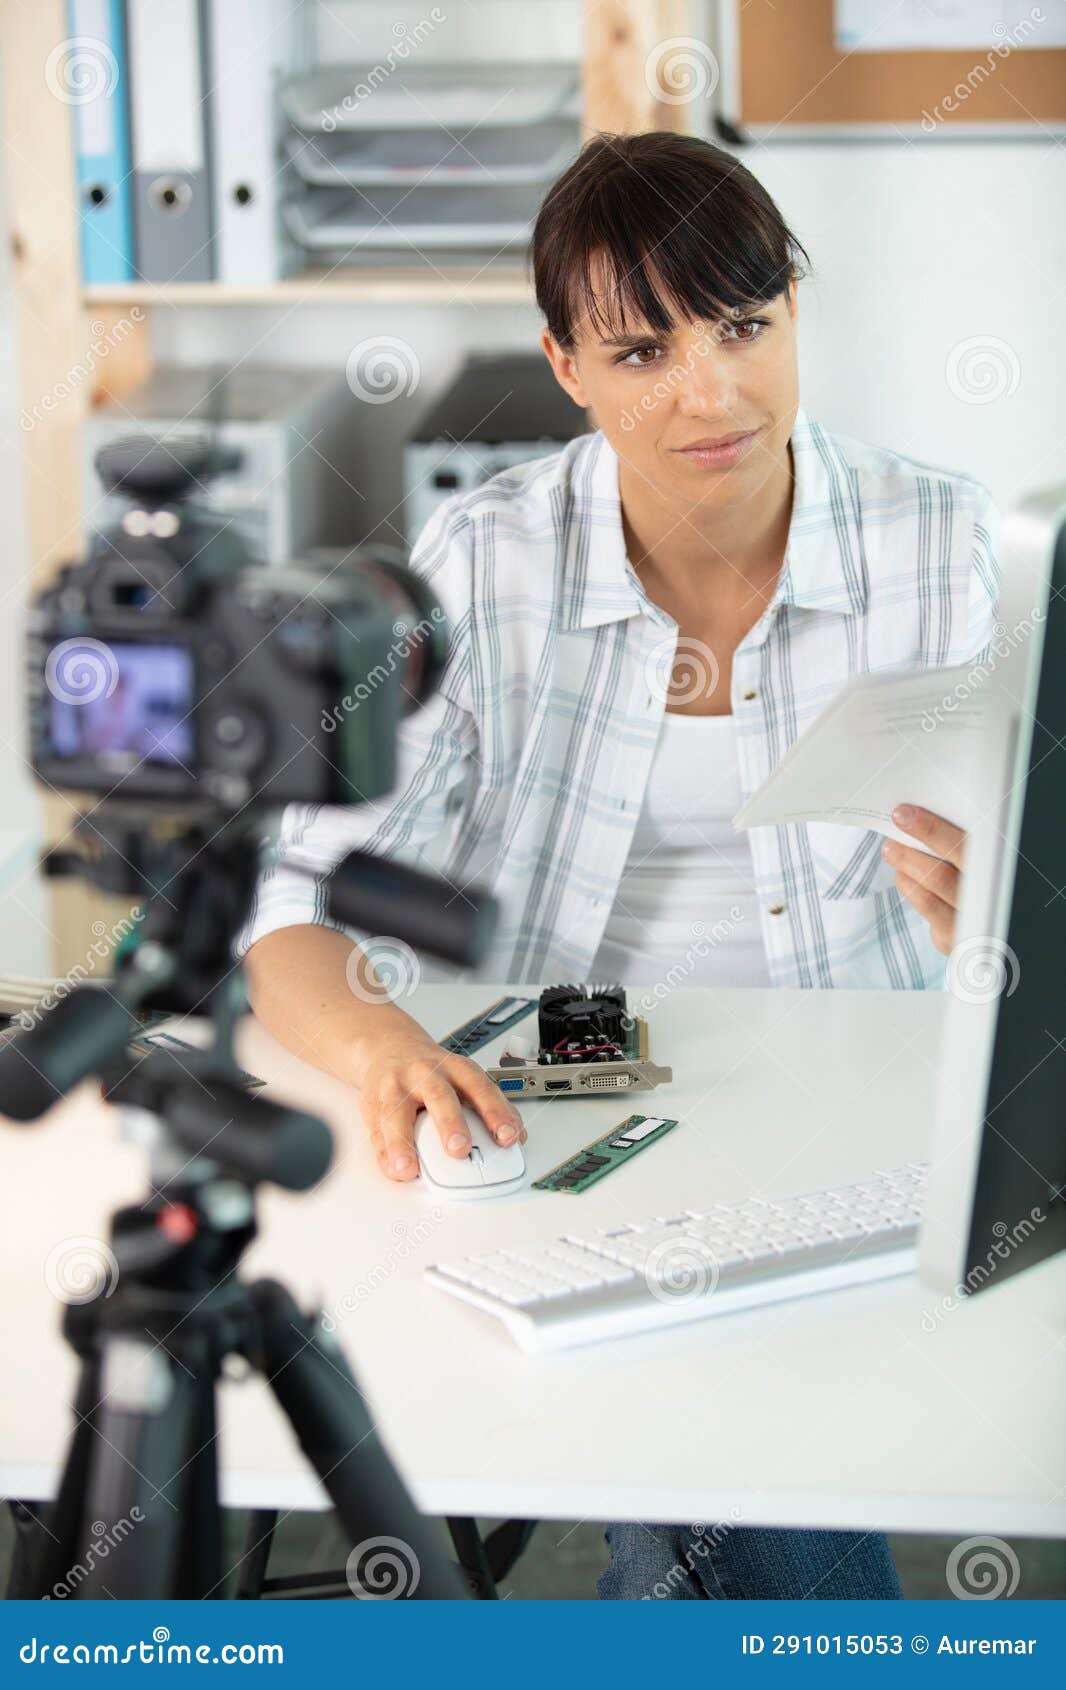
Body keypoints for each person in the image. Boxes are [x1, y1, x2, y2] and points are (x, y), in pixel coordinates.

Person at [236, 132, 1000, 1600]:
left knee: (719, 1381)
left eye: (743, 326)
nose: (708, 391)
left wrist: (1020, 911)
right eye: (641, 350)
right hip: (579, 1059)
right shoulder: (482, 562)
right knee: (711, 1377)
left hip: (870, 1071)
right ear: (565, 367)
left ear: (792, 313)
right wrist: (380, 1038)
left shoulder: (945, 543)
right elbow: (293, 906)